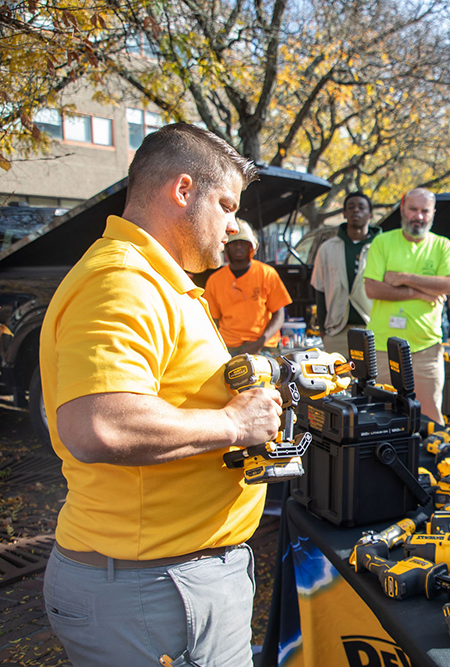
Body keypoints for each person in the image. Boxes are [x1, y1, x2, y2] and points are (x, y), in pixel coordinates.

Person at [38, 123, 282, 666]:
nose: (234, 225)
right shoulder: (123, 282)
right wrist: (234, 425)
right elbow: (100, 424)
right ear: (183, 190)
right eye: (226, 205)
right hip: (153, 592)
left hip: (163, 583)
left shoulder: (157, 281)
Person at [364, 187, 450, 425]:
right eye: (413, 209)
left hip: (426, 347)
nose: (419, 216)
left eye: (425, 211)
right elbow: (372, 289)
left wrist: (403, 277)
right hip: (383, 347)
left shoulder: (442, 245)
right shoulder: (382, 242)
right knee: (381, 417)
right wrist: (419, 292)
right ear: (403, 209)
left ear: (433, 213)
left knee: (430, 418)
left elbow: (449, 285)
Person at [204, 218, 293, 355]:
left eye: (243, 243)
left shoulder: (267, 274)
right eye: (234, 243)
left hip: (263, 347)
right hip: (229, 347)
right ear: (226, 247)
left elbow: (279, 314)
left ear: (252, 247)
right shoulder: (215, 280)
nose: (239, 247)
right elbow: (212, 320)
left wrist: (261, 341)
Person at [310, 191, 380, 358]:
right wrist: (323, 331)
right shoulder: (327, 248)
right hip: (337, 331)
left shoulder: (381, 247)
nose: (356, 210)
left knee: (373, 375)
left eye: (361, 207)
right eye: (351, 207)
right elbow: (320, 291)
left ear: (370, 214)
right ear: (344, 213)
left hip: (373, 329)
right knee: (339, 375)